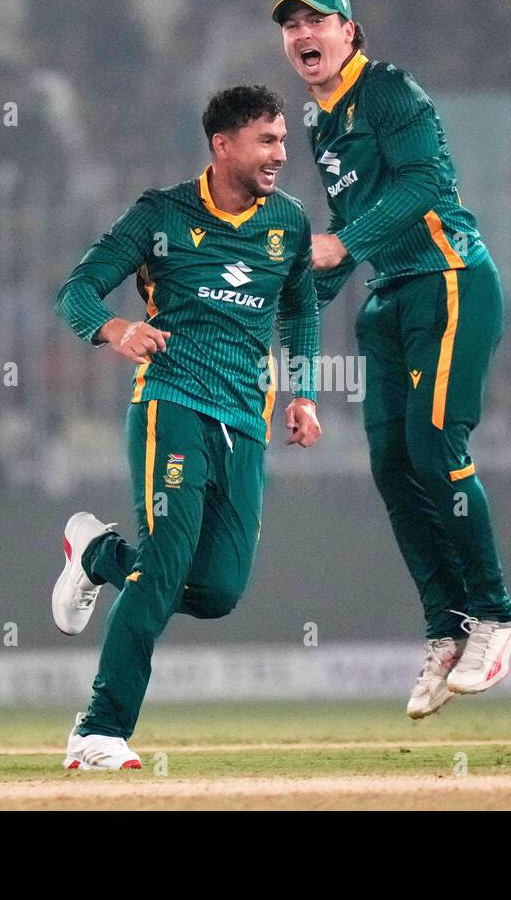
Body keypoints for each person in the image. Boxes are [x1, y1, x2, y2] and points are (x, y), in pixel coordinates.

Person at [272, 0, 511, 719]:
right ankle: (448, 627)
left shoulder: (388, 91)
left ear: (350, 31)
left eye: (315, 19)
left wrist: (342, 242)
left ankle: (499, 616)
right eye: (290, 26)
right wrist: (291, 302)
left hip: (448, 276)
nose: (301, 33)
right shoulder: (319, 122)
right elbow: (345, 239)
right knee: (391, 462)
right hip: (390, 298)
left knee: (432, 441)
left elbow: (423, 184)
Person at [51, 85, 321, 769]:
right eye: (266, 141)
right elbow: (77, 290)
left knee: (219, 592)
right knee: (168, 560)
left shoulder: (287, 222)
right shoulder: (159, 214)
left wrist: (305, 393)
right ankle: (98, 733)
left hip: (245, 421)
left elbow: (301, 310)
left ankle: (98, 556)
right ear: (222, 145)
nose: (280, 155)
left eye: (284, 140)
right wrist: (113, 328)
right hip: (171, 403)